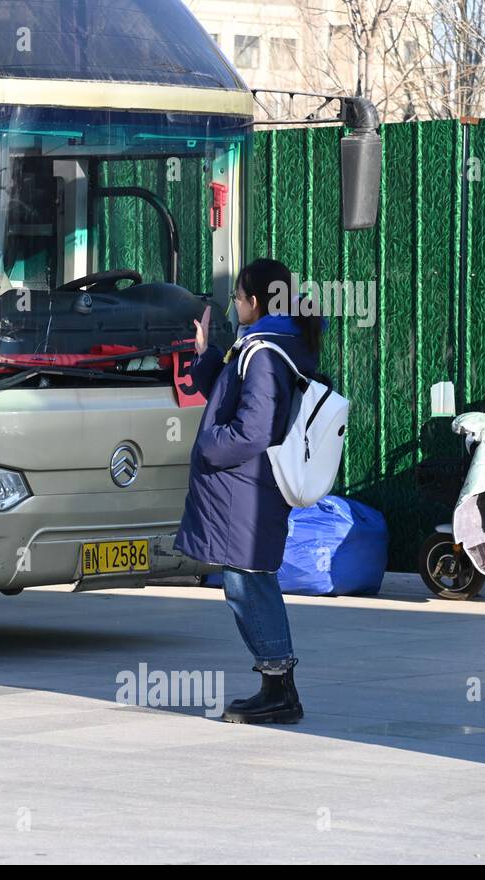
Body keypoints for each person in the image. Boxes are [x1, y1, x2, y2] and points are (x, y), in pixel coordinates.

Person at [174, 258, 324, 725]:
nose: (234, 304)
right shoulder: (272, 344)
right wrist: (205, 354)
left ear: (254, 301)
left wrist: (208, 446)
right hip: (249, 487)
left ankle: (279, 690)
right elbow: (226, 392)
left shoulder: (262, 352)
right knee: (251, 579)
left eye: (237, 296)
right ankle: (278, 688)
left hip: (248, 487)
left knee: (247, 581)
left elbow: (253, 429)